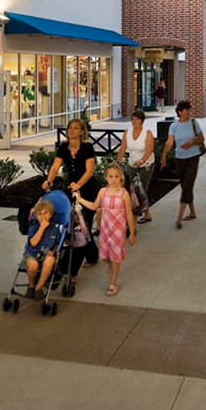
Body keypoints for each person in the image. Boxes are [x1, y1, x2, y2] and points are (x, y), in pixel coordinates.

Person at [43, 118, 99, 269]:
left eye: (75, 128)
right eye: (70, 128)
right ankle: (89, 254)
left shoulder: (87, 147)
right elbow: (55, 167)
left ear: (82, 132)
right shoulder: (63, 147)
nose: (72, 131)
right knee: (75, 224)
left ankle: (91, 256)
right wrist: (49, 181)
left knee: (84, 222)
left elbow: (90, 170)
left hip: (87, 189)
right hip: (70, 188)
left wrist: (79, 185)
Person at [76, 165, 135, 297]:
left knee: (115, 257)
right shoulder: (103, 192)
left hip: (118, 230)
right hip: (105, 229)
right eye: (110, 177)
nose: (113, 179)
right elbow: (94, 206)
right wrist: (80, 200)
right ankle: (111, 265)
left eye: (116, 176)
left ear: (120, 178)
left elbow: (129, 215)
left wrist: (131, 232)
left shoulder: (123, 194)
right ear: (106, 178)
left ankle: (113, 283)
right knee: (104, 255)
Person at [160, 100, 204, 229]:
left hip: (193, 157)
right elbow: (169, 142)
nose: (189, 112)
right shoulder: (174, 126)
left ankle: (179, 217)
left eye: (190, 109)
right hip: (179, 158)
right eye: (187, 110)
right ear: (180, 111)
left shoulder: (193, 123)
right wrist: (164, 156)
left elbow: (201, 138)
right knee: (185, 185)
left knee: (187, 184)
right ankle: (192, 212)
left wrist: (191, 143)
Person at [116, 108, 155, 223]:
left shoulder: (147, 133)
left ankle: (133, 220)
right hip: (132, 164)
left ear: (142, 121)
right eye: (132, 119)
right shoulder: (127, 133)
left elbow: (149, 150)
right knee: (134, 189)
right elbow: (123, 147)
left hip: (146, 164)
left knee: (140, 190)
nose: (134, 122)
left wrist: (142, 161)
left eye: (137, 120)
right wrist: (119, 159)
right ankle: (147, 214)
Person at [22, 199, 61, 299]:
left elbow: (57, 243)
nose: (43, 216)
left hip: (45, 255)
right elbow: (33, 242)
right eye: (39, 214)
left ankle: (38, 288)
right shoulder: (34, 227)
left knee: (50, 260)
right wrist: (42, 228)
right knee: (33, 264)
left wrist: (53, 251)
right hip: (31, 255)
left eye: (45, 213)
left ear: (50, 215)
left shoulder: (55, 229)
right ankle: (31, 286)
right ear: (36, 216)